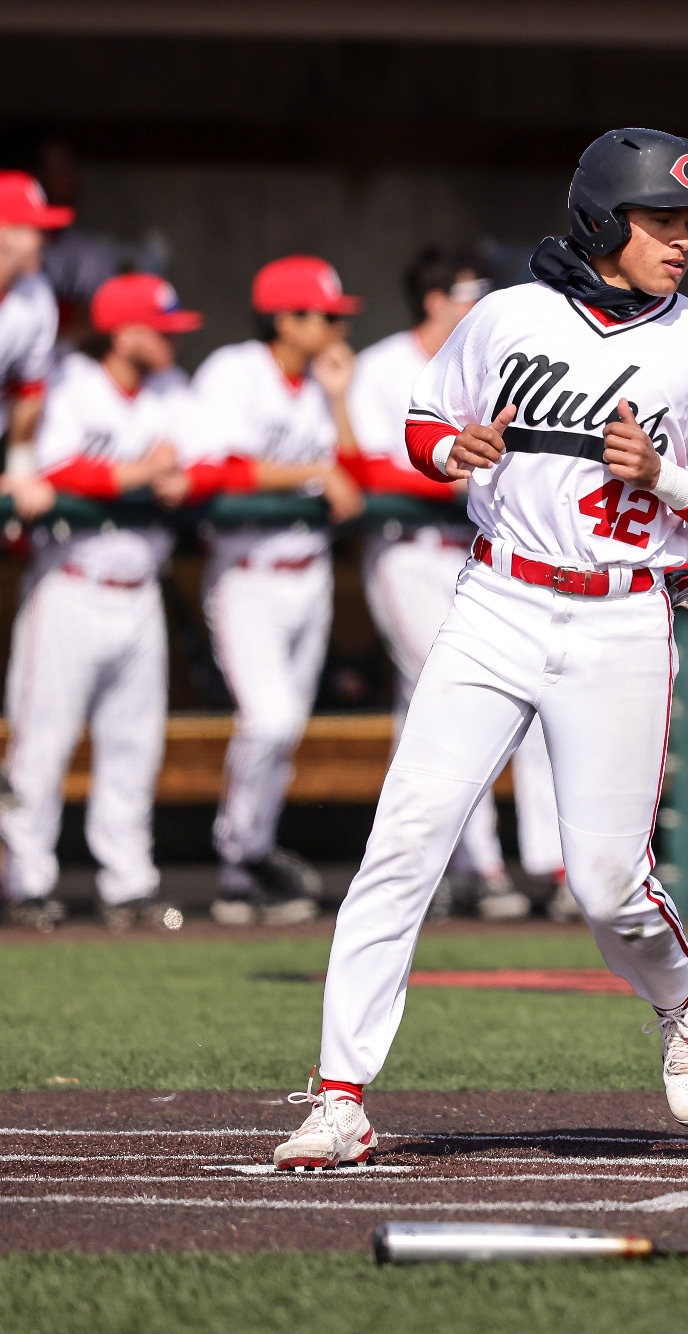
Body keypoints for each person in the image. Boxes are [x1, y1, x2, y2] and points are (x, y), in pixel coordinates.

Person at [273, 128, 688, 1170]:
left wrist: (668, 480)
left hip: (621, 613)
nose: (682, 241)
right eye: (661, 220)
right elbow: (423, 418)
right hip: (495, 599)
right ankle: (339, 1094)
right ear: (600, 218)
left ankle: (684, 996)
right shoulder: (506, 314)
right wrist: (454, 449)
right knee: (404, 838)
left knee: (602, 881)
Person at [346, 245, 549, 923]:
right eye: (469, 289)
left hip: (480, 553)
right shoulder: (381, 365)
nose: (481, 300)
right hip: (407, 552)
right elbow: (371, 469)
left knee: (433, 712)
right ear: (435, 299)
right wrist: (454, 469)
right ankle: (482, 866)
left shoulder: (492, 362)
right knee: (463, 699)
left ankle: (427, 871)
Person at [0, 275, 195, 932]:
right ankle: (27, 883)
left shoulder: (171, 391)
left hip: (139, 589)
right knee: (43, 743)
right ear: (125, 332)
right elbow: (52, 472)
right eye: (162, 329)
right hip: (70, 584)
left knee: (134, 745)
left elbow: (202, 466)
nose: (172, 340)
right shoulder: (74, 382)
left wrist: (173, 476)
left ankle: (128, 882)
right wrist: (141, 473)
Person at [182, 255, 365, 925]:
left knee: (283, 731)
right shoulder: (235, 371)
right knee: (271, 718)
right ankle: (242, 847)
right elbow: (212, 470)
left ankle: (242, 873)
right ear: (285, 319)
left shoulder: (321, 382)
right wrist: (312, 471)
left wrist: (341, 400)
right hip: (247, 572)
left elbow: (353, 480)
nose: (335, 327)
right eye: (325, 316)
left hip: (307, 572)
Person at [0, 171, 67, 480]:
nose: (45, 239)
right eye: (35, 229)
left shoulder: (37, 294)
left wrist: (20, 472)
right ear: (4, 233)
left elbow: (29, 391)